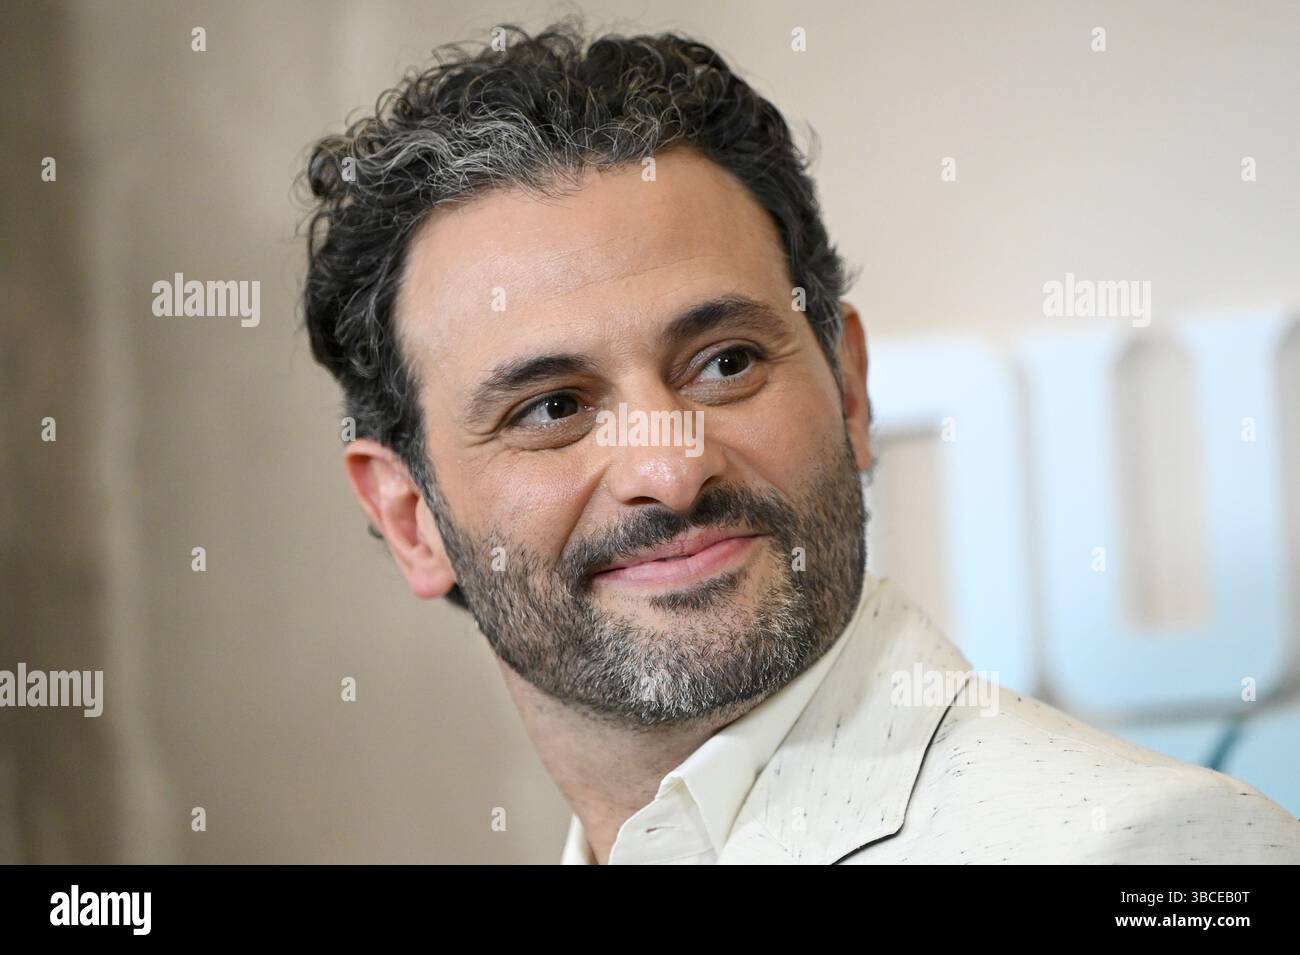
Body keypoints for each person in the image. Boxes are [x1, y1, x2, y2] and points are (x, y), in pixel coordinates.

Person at [299, 20, 1300, 864]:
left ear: (849, 387)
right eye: (553, 408)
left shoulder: (1145, 850)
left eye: (725, 361)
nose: (670, 466)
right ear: (407, 517)